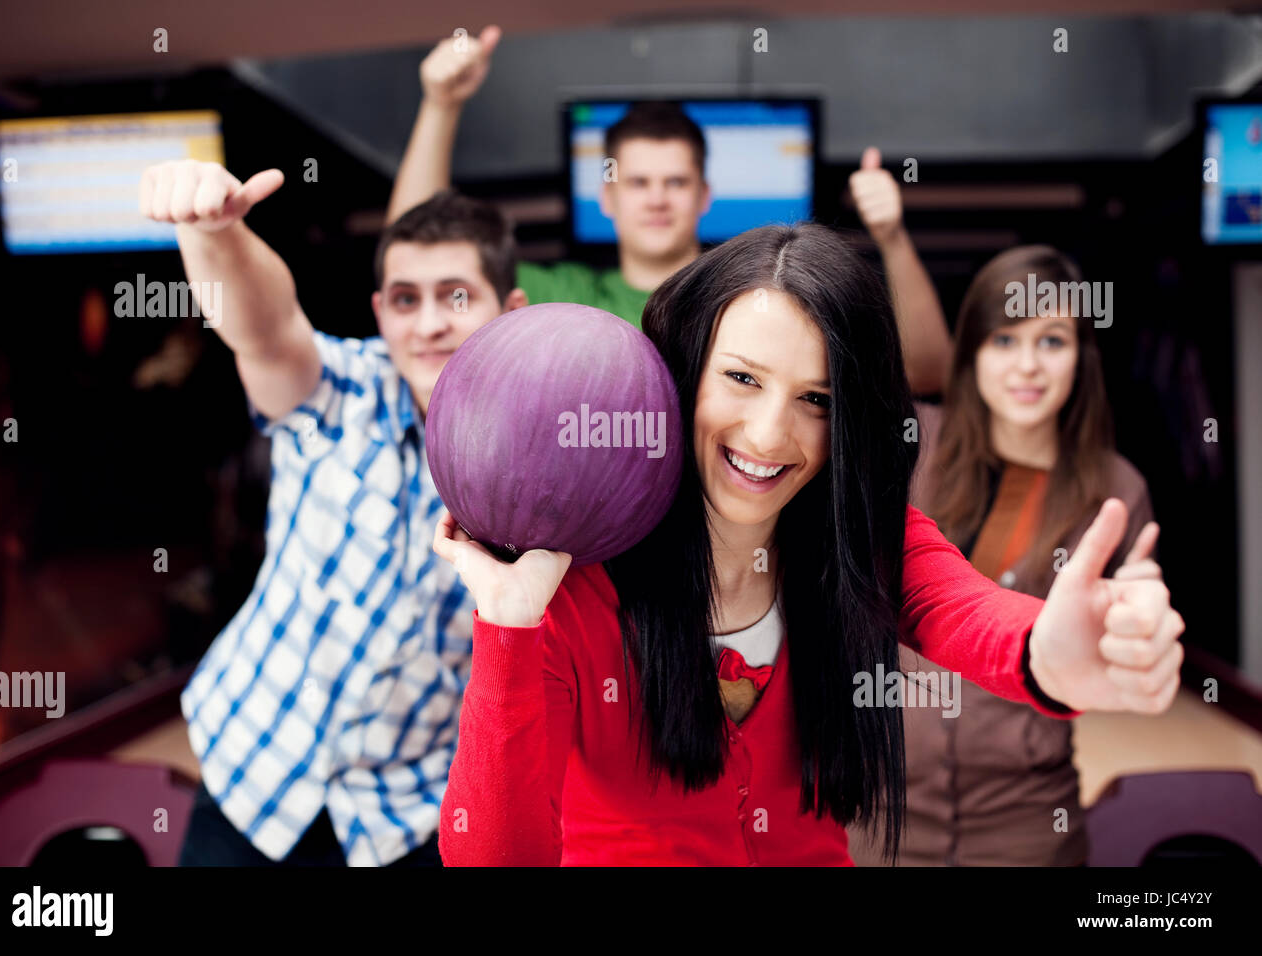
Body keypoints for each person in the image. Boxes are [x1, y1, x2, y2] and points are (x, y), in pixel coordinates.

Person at [431, 222, 1185, 866]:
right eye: (740, 378)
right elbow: (493, 855)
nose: (768, 435)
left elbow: (971, 612)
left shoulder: (857, 540)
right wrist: (509, 626)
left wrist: (1048, 656)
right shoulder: (578, 585)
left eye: (816, 400)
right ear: (682, 372)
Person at [139, 160, 524, 866]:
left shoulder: (541, 466)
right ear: (380, 313)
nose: (430, 323)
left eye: (457, 296)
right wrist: (215, 236)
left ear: (512, 310)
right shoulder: (341, 391)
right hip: (254, 765)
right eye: (406, 300)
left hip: (406, 810)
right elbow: (266, 325)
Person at [389, 26, 952, 394]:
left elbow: (925, 371)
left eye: (675, 181)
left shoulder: (762, 293)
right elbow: (414, 250)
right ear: (607, 196)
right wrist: (441, 105)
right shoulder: (549, 293)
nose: (656, 197)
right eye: (637, 182)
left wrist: (892, 236)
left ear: (704, 195)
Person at [847, 246, 1157, 867]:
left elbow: (1110, 646)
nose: (1027, 367)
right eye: (1004, 340)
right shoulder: (911, 446)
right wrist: (892, 234)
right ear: (971, 353)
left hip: (1028, 823)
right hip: (877, 818)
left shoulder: (1115, 489)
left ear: (1081, 358)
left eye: (1052, 342)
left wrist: (1133, 633)